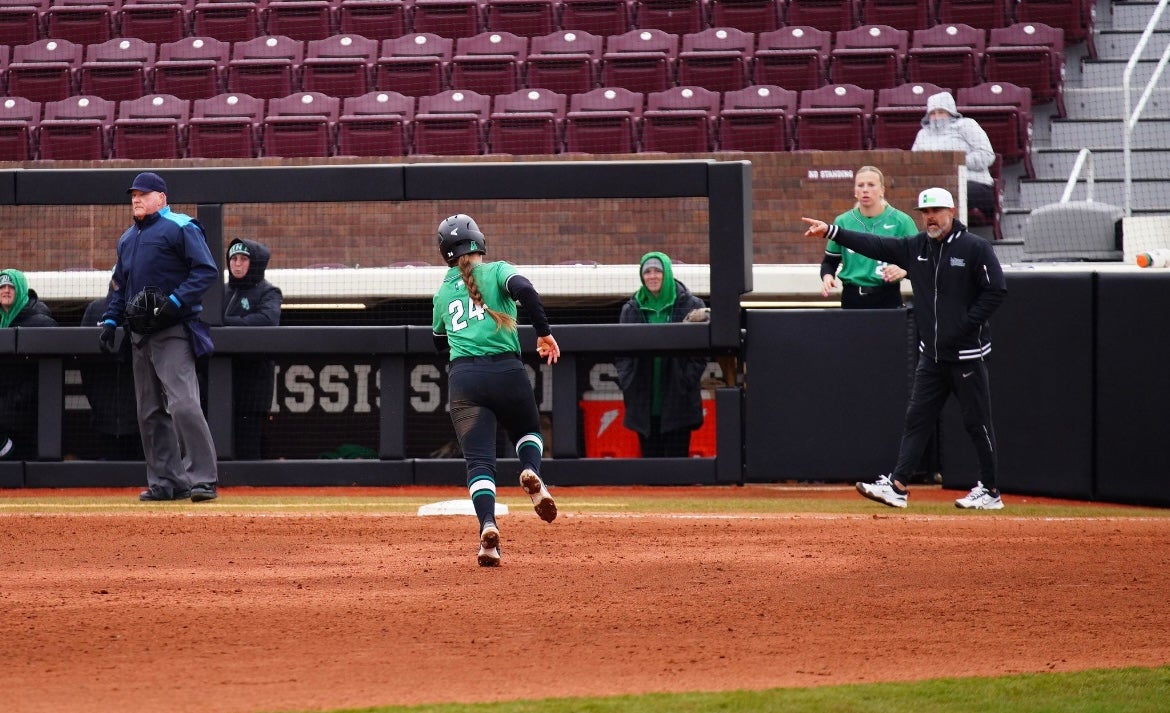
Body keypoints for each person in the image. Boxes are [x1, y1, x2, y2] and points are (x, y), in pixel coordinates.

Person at [801, 187, 1008, 510]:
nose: (930, 218)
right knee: (917, 419)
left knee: (977, 422)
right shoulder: (917, 247)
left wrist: (965, 327)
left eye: (936, 211)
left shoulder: (974, 248)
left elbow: (995, 291)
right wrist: (832, 230)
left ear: (951, 211)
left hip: (966, 355)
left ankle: (991, 490)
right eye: (925, 212)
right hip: (933, 356)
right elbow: (876, 244)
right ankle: (897, 485)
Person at [430, 213, 561, 567]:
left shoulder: (442, 291)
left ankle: (488, 532)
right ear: (479, 241)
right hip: (507, 370)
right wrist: (544, 332)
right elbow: (526, 291)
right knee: (527, 431)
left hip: (465, 381)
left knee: (479, 463)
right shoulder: (499, 270)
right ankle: (531, 470)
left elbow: (439, 343)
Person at [98, 171, 220, 502]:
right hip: (140, 335)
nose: (136, 198)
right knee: (149, 411)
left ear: (161, 198)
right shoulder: (126, 239)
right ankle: (168, 482)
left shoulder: (181, 226)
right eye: (133, 194)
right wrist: (110, 320)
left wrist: (175, 302)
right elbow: (119, 285)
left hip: (173, 331)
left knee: (183, 404)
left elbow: (206, 269)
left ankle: (203, 478)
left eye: (143, 193)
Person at [614, 252, 709, 458]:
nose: (653, 276)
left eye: (658, 271)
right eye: (647, 271)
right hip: (643, 401)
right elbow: (622, 353)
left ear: (667, 273)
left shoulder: (692, 305)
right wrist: (628, 381)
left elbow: (700, 354)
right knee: (650, 471)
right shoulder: (631, 309)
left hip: (678, 401)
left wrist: (685, 380)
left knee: (677, 473)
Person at [820, 166, 917, 309]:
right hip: (852, 297)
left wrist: (904, 270)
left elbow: (921, 262)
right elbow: (829, 262)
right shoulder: (843, 222)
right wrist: (828, 277)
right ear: (855, 191)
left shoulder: (901, 221)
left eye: (871, 185)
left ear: (882, 190)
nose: (865, 189)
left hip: (887, 296)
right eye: (860, 185)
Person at [222, 238, 282, 460]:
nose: (237, 264)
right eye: (233, 259)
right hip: (219, 386)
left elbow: (267, 320)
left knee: (247, 447)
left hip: (252, 388)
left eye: (243, 259)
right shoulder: (220, 292)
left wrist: (224, 322)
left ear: (255, 262)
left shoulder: (269, 292)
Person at [911, 91, 997, 221]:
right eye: (933, 113)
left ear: (951, 112)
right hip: (935, 185)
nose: (937, 117)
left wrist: (955, 162)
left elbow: (987, 155)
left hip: (974, 184)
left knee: (945, 194)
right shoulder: (923, 134)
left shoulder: (967, 125)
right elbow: (914, 162)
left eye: (941, 112)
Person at [0, 269, 58, 460]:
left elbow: (41, 373)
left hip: (29, 413)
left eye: (11, 287)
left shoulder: (41, 321)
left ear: (21, 290)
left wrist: (17, 399)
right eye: (2, 287)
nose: (6, 291)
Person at [80, 287, 143, 461]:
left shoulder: (145, 309)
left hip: (140, 417)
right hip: (104, 416)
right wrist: (96, 400)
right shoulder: (95, 309)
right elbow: (85, 362)